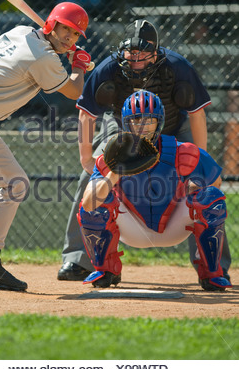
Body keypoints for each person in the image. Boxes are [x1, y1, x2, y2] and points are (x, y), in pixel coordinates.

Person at [58, 19, 232, 285]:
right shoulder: (109, 68)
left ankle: (214, 265)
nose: (136, 57)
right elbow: (87, 113)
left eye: (143, 50)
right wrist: (86, 159)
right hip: (123, 129)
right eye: (131, 50)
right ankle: (77, 258)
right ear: (122, 49)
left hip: (174, 126)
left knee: (205, 190)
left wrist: (199, 161)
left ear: (156, 49)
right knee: (91, 182)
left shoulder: (177, 66)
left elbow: (196, 114)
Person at [0, 2, 92, 298]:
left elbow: (45, 56)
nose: (69, 39)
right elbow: (75, 91)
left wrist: (63, 53)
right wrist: (79, 65)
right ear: (51, 25)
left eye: (75, 36)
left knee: (16, 184)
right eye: (65, 30)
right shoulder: (41, 57)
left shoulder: (22, 32)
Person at [77, 91, 232, 291]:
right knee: (98, 202)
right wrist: (115, 172)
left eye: (149, 120)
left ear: (159, 122)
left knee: (210, 198)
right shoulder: (111, 156)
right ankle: (107, 269)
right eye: (136, 119)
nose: (142, 125)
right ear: (125, 122)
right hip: (132, 229)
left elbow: (216, 183)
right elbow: (88, 204)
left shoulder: (182, 151)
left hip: (174, 226)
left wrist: (192, 188)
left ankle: (210, 273)